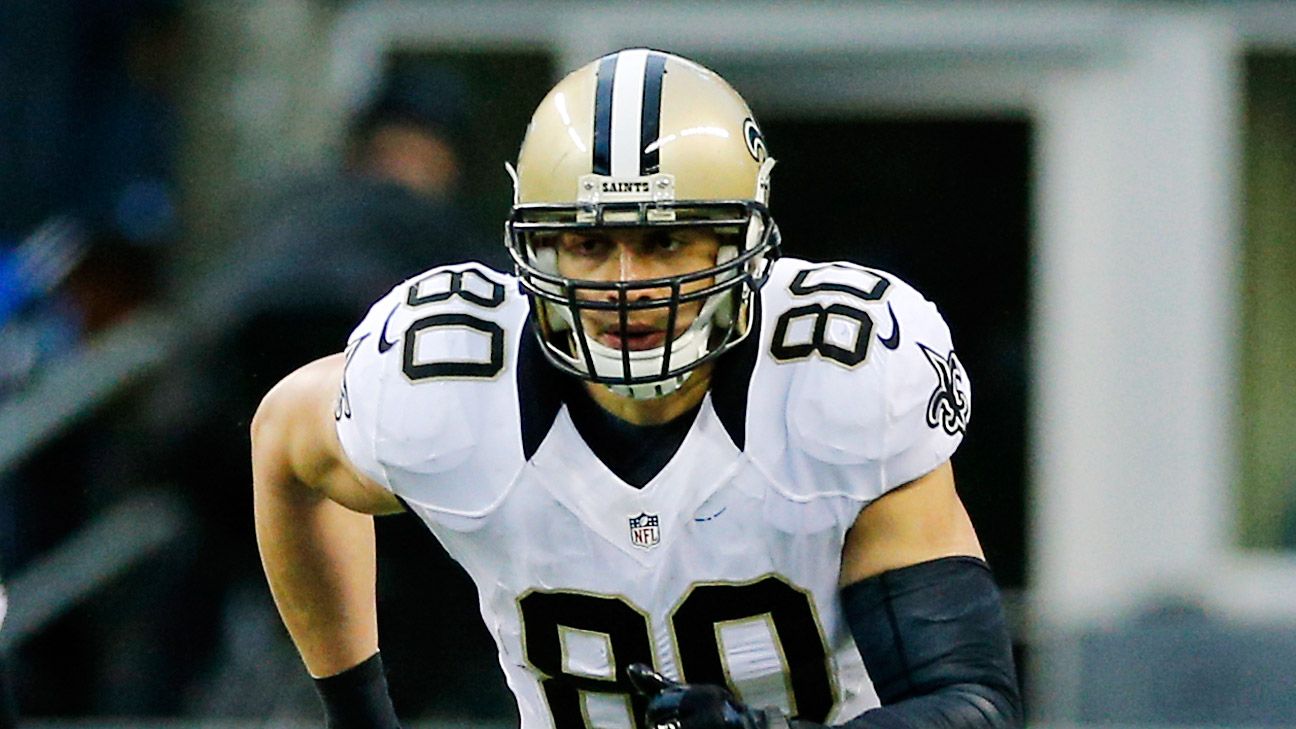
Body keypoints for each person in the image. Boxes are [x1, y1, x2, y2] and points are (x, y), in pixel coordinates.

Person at [252, 49, 1022, 729]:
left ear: (740, 242)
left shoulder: (838, 382)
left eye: (663, 240)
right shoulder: (454, 381)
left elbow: (972, 703)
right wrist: (357, 711)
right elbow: (282, 441)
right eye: (589, 243)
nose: (628, 283)